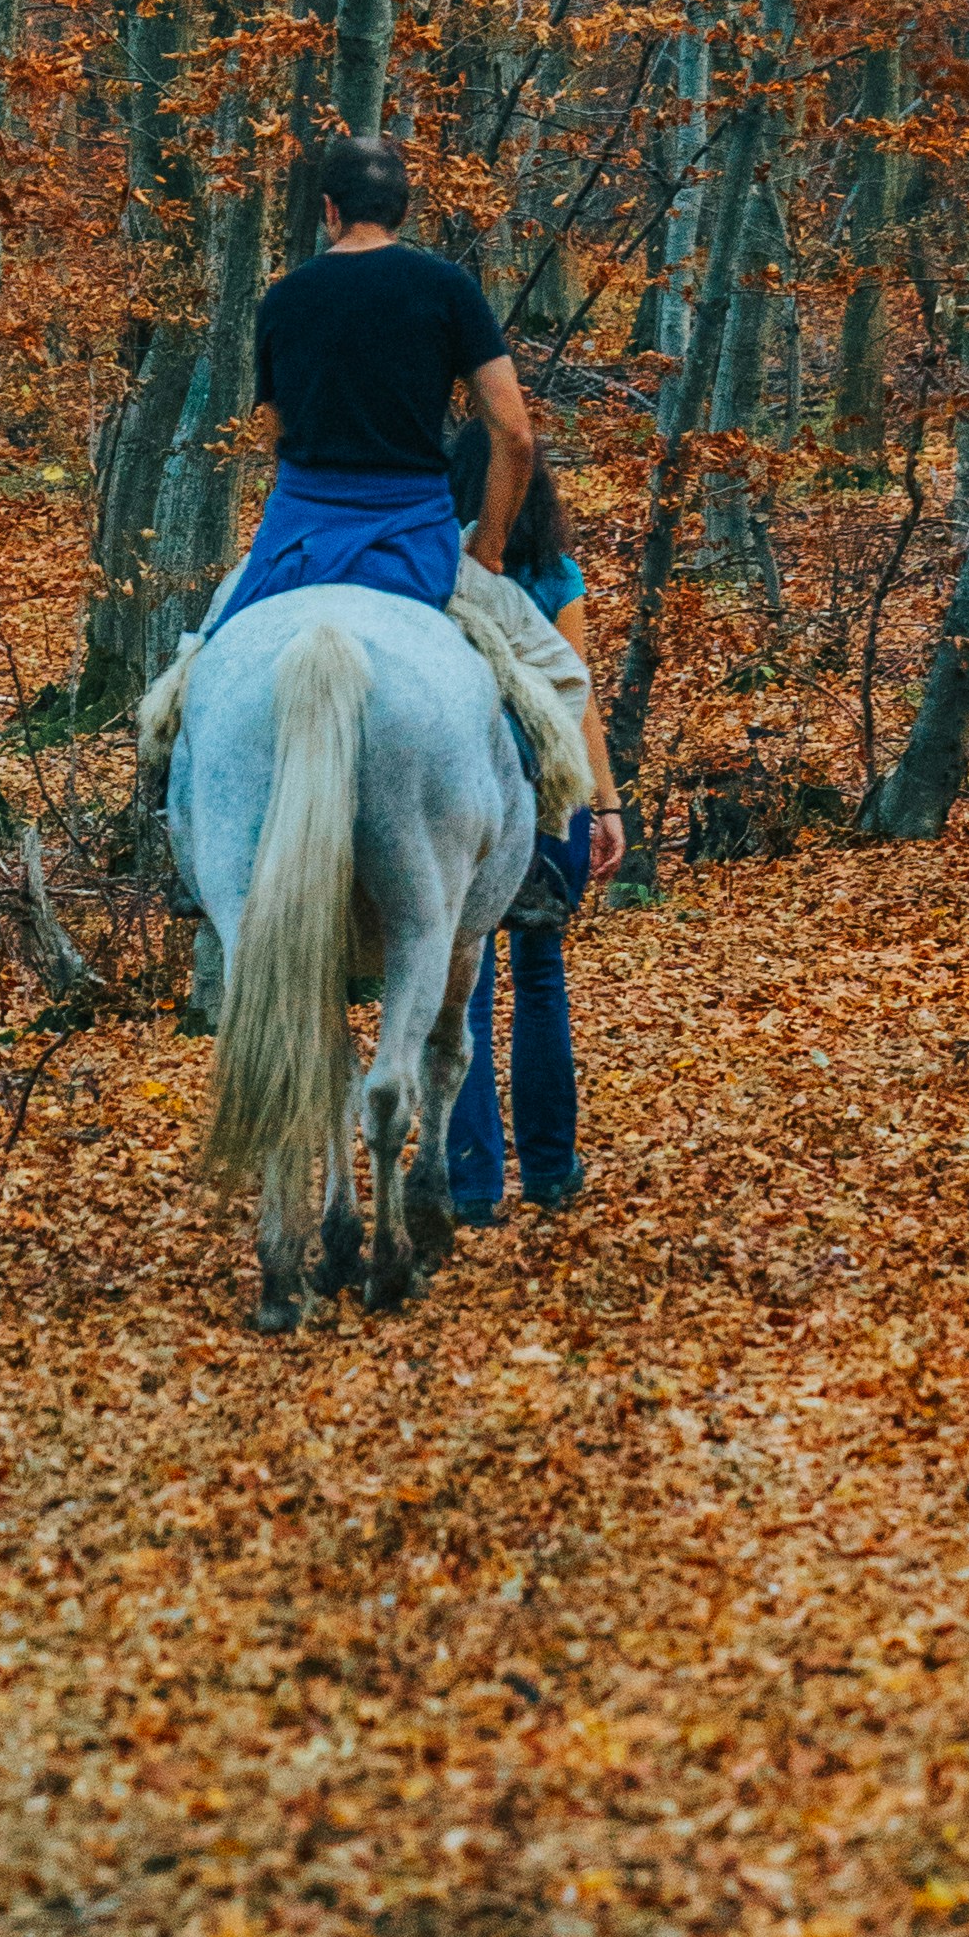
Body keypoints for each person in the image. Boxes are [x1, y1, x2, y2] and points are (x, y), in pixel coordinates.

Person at [210, 134, 535, 619]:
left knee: (210, 647)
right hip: (415, 535)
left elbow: (275, 433)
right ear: (402, 212)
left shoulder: (283, 298)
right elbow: (515, 434)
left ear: (330, 209)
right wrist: (488, 548)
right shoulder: (449, 289)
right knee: (543, 659)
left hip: (299, 532)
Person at [441, 414, 623, 1219]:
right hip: (548, 796)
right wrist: (605, 803)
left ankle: (474, 1184)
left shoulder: (437, 571)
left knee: (466, 989)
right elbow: (576, 695)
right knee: (541, 978)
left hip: (463, 796)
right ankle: (549, 1169)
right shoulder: (555, 575)